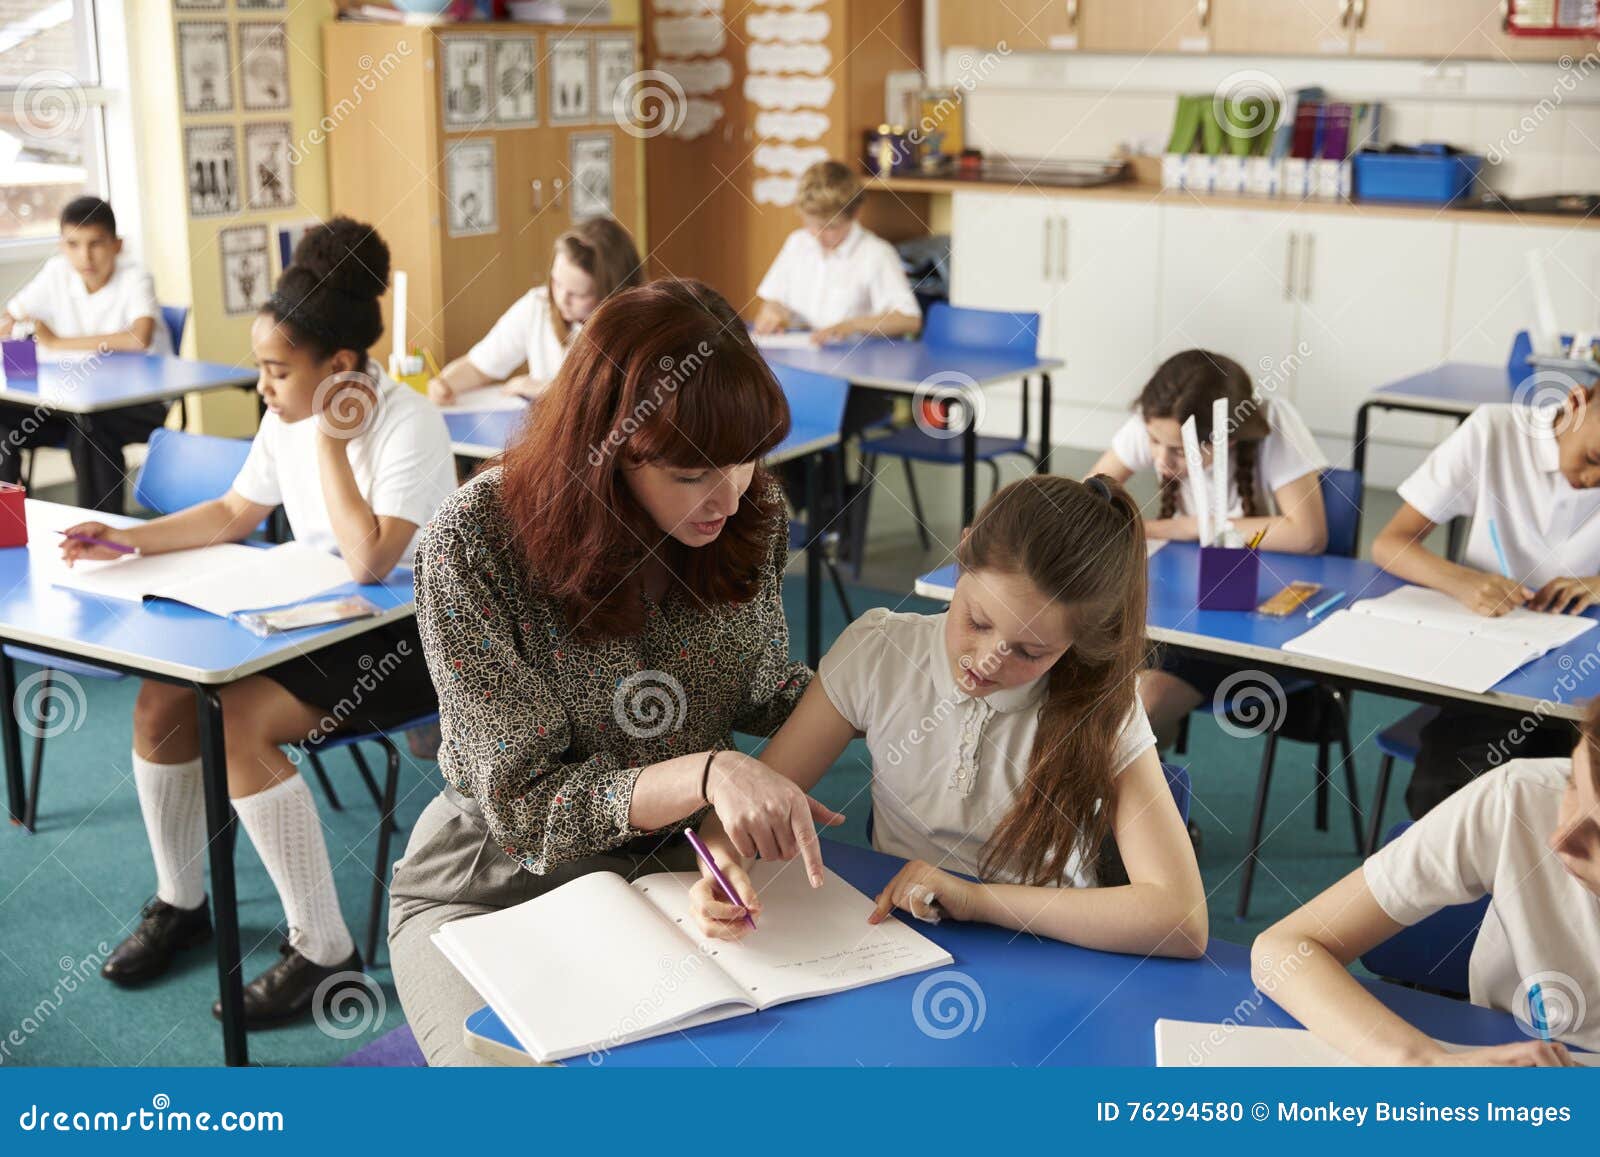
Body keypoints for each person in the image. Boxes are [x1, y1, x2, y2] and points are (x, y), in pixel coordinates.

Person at [392, 278, 841, 1066]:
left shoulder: (748, 515)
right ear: (605, 453)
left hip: (677, 863)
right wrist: (709, 772)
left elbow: (764, 684)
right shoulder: (474, 543)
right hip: (495, 881)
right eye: (693, 473)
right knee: (510, 1098)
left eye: (745, 460)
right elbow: (528, 808)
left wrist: (882, 679)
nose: (731, 495)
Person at [62, 217, 458, 1026]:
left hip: (407, 639)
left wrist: (333, 445)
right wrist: (125, 538)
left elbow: (372, 561)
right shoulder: (286, 416)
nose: (264, 389)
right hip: (314, 619)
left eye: (278, 371)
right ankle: (183, 902)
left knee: (239, 720)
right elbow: (236, 510)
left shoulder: (408, 422)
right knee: (159, 698)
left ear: (340, 366)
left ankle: (324, 950)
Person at [688, 475, 1208, 959]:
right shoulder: (879, 650)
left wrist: (976, 901)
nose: (987, 661)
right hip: (897, 939)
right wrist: (723, 863)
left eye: (1030, 652)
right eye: (977, 621)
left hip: (1047, 945)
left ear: (1076, 644)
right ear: (961, 557)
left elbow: (1182, 919)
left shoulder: (1102, 705)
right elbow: (747, 806)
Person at [1253, 696, 1600, 1064]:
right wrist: (1424, 1062)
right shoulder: (1519, 799)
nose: (1561, 837)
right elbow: (1284, 948)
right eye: (1574, 782)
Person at [1371, 391, 1600, 815]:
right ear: (1577, 401)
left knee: (1573, 806)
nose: (1591, 481)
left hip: (1587, 679)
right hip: (1495, 665)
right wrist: (1463, 582)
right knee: (1445, 796)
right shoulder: (1494, 431)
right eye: (1594, 458)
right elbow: (1390, 543)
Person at [1089, 349, 1329, 748]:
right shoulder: (1158, 422)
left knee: (1137, 714)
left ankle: (1148, 803)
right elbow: (1086, 500)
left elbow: (1307, 534)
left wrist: (1181, 527)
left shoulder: (1272, 422)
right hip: (1167, 619)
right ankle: (1143, 802)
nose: (1161, 461)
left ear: (1228, 438)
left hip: (1245, 631)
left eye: (1179, 451)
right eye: (1152, 441)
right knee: (1078, 691)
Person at [0, 196, 175, 511]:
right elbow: (9, 317)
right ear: (61, 246)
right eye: (73, 244)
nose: (85, 256)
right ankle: (7, 524)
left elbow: (138, 337)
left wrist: (55, 343)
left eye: (96, 243)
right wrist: (13, 324)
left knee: (90, 427)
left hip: (137, 402)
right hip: (71, 401)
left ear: (117, 245)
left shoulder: (135, 276)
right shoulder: (56, 272)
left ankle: (99, 535)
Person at [426, 216, 643, 405]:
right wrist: (445, 383)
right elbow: (480, 366)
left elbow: (607, 402)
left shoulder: (637, 326)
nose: (561, 299)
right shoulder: (538, 305)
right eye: (556, 283)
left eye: (578, 295)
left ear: (612, 291)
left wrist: (538, 388)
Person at [752, 160, 920, 345]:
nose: (819, 236)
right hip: (800, 352)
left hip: (852, 359)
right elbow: (774, 299)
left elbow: (910, 320)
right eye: (811, 225)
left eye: (830, 227)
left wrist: (852, 325)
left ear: (855, 214)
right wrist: (773, 311)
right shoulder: (798, 242)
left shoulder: (876, 253)